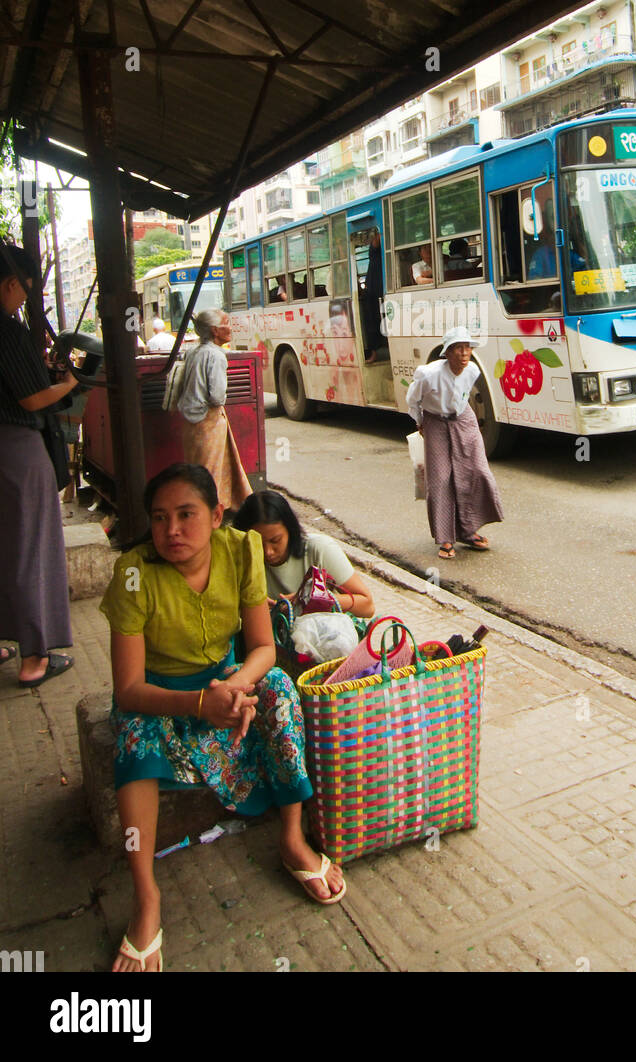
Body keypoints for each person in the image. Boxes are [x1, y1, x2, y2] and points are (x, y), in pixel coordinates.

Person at [100, 462, 347, 973]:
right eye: (160, 517)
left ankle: (292, 837)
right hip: (159, 698)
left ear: (216, 515)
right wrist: (198, 704)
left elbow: (261, 648)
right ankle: (146, 896)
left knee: (278, 686)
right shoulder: (133, 573)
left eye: (186, 514)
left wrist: (233, 688)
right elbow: (128, 688)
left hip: (224, 681)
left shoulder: (242, 549)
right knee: (131, 733)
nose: (172, 530)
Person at [0, 245, 79, 687]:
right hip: (16, 448)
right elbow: (31, 399)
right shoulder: (6, 330)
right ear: (12, 283)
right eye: (25, 291)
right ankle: (34, 657)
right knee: (31, 548)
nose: (22, 300)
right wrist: (67, 384)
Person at [405, 326, 504, 561]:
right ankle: (446, 537)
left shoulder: (472, 371)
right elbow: (412, 399)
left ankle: (469, 530)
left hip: (463, 419)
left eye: (467, 347)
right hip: (435, 421)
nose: (464, 353)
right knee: (440, 479)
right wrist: (420, 421)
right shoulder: (428, 374)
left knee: (477, 471)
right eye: (458, 348)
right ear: (447, 353)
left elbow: (463, 397)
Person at [234, 490, 374, 616]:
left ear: (290, 529)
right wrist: (251, 605)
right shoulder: (240, 559)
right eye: (257, 544)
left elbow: (367, 606)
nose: (268, 552)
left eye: (275, 540)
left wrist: (314, 600)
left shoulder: (319, 549)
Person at [176, 308, 252, 512]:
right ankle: (208, 515)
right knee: (211, 475)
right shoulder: (216, 356)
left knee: (196, 473)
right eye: (226, 322)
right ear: (215, 330)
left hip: (190, 423)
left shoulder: (193, 351)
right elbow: (217, 397)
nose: (230, 327)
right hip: (208, 422)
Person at [360, 227, 386, 363]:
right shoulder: (375, 252)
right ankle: (374, 352)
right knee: (373, 322)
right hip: (372, 293)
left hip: (382, 291)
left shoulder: (386, 253)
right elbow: (377, 241)